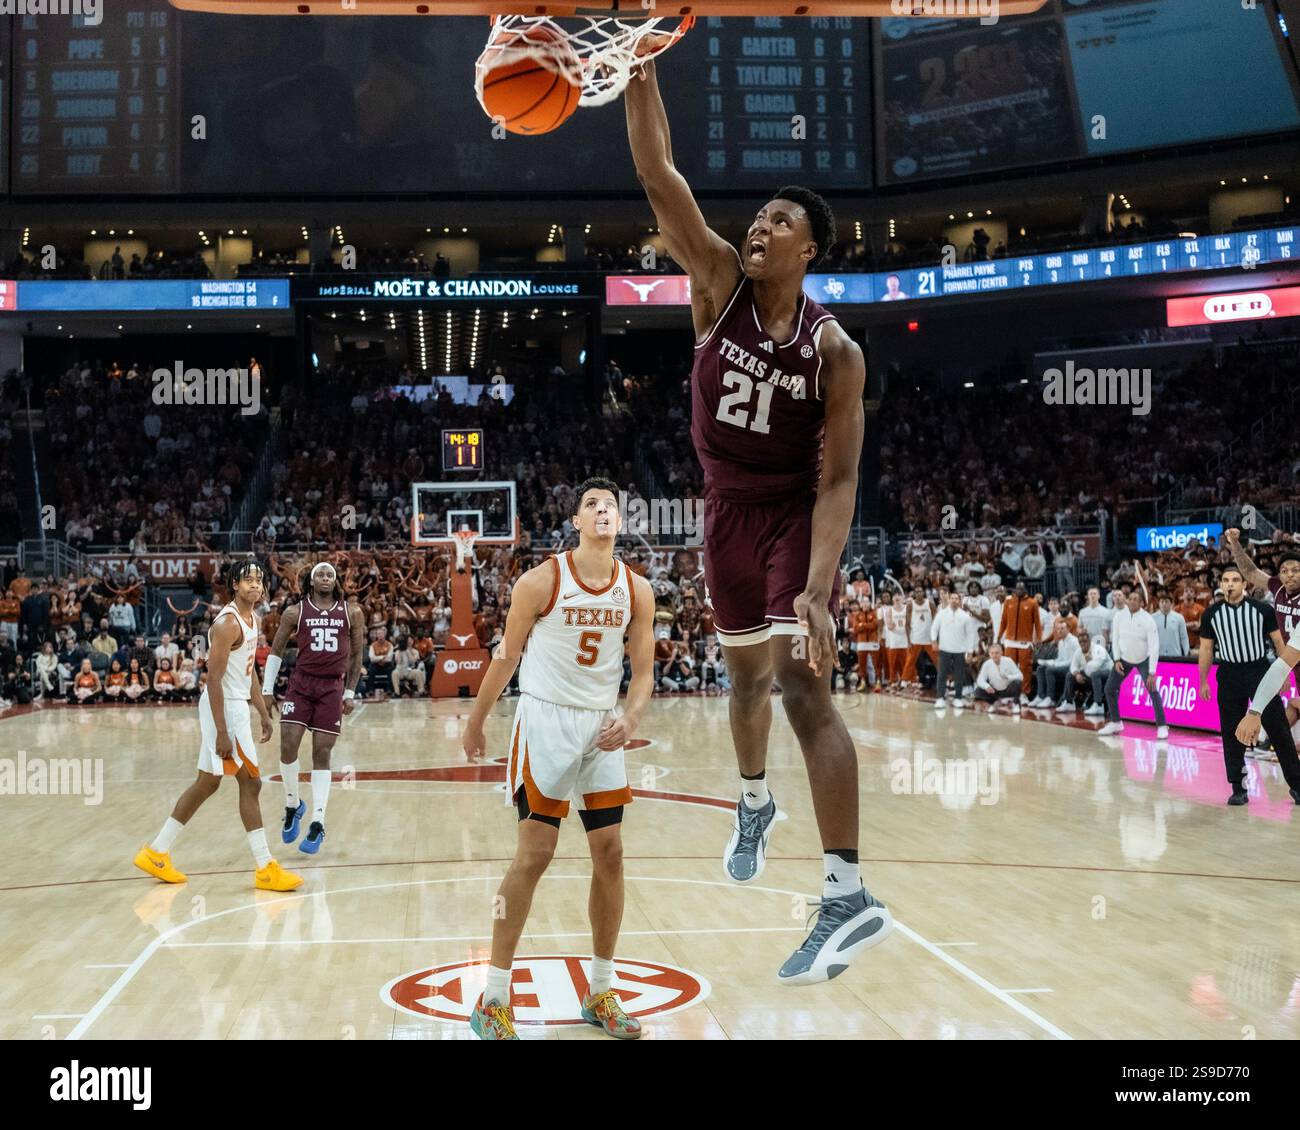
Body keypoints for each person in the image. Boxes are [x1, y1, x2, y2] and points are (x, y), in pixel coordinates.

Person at [626, 63, 892, 985]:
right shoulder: (713, 284)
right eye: (759, 217)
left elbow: (842, 476)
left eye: (781, 222)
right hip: (722, 518)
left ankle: (848, 893)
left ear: (810, 250)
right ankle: (753, 802)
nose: (759, 227)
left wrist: (819, 589)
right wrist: (639, 62)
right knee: (745, 690)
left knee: (802, 690)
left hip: (787, 516)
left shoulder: (836, 352)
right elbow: (661, 176)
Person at [460, 479, 654, 1040]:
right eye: (592, 505)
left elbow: (642, 674)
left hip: (601, 726)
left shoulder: (637, 590)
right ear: (575, 520)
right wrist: (476, 721)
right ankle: (493, 997)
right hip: (545, 722)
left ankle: (601, 991)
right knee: (534, 856)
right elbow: (506, 655)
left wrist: (633, 717)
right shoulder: (541, 581)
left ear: (620, 522)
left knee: (611, 853)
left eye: (611, 506)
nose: (602, 512)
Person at [133, 561, 301, 892]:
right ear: (234, 585)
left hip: (236, 707)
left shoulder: (251, 620)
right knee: (251, 783)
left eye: (259, 579)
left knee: (207, 783)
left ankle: (156, 852)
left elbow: (248, 669)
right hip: (222, 708)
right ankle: (265, 867)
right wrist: (222, 731)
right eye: (248, 580)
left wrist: (263, 711)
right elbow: (213, 680)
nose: (255, 584)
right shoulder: (227, 624)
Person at [263, 561, 366, 856]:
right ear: (310, 581)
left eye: (330, 575)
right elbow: (276, 651)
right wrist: (268, 691)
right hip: (301, 684)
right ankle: (293, 804)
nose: (325, 578)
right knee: (287, 745)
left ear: (336, 582)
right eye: (320, 574)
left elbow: (357, 655)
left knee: (322, 752)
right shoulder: (294, 611)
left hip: (332, 687)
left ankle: (318, 822)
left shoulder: (352, 612)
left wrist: (349, 691)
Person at [1204, 568, 1300, 806]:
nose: (1230, 584)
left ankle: (1297, 785)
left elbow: (1279, 642)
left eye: (1235, 580)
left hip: (1259, 671)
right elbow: (1206, 649)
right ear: (1221, 584)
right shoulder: (1211, 613)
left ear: (1244, 583)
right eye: (1225, 580)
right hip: (1228, 673)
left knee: (1279, 729)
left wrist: (1284, 675)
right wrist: (1202, 679)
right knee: (1231, 732)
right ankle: (1239, 786)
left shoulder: (1262, 609)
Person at [1099, 588, 1168, 739]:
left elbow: (1154, 646)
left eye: (1135, 599)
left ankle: (1162, 725)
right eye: (1130, 598)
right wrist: (1116, 659)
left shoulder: (1148, 620)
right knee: (1109, 689)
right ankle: (1116, 722)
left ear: (1142, 603)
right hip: (1123, 659)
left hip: (1143, 660)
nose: (1131, 601)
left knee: (1153, 691)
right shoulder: (1118, 616)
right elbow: (1115, 639)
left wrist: (1151, 672)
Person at [1224, 529, 1300, 636]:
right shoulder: (1278, 586)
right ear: (1279, 575)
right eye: (1284, 571)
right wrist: (1235, 543)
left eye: (1295, 570)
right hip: (1284, 650)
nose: (1290, 574)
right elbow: (1250, 571)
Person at [931, 591, 977, 710]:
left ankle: (958, 698)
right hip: (944, 649)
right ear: (949, 599)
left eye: (957, 598)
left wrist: (970, 651)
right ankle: (940, 698)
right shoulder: (941, 613)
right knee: (942, 674)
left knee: (959, 675)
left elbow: (970, 635)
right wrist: (934, 641)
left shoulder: (965, 616)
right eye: (952, 598)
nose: (954, 600)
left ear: (960, 601)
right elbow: (934, 628)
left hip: (960, 650)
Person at [1032, 620, 1082, 710]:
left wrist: (1055, 665)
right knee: (1040, 668)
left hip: (1072, 668)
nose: (1059, 631)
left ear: (1068, 629)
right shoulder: (1061, 642)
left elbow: (1073, 661)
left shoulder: (1074, 641)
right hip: (1062, 665)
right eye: (1058, 629)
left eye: (1062, 628)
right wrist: (1049, 662)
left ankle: (1050, 698)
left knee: (1050, 670)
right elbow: (1060, 659)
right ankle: (1041, 696)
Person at [1070, 634, 1111, 716]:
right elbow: (1073, 666)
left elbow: (1096, 666)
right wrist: (1077, 674)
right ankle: (1068, 702)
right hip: (1092, 675)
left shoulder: (1099, 649)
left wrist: (1089, 661)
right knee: (1070, 676)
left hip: (1108, 673)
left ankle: (1098, 705)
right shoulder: (1078, 651)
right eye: (1080, 642)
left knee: (1095, 674)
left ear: (1089, 641)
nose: (1082, 644)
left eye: (1084, 641)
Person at [974, 643, 1022, 712]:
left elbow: (1020, 676)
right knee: (978, 691)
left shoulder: (1008, 661)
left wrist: (1009, 677)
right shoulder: (987, 664)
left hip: (1007, 689)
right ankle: (993, 703)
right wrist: (986, 686)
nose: (994, 655)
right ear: (989, 654)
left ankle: (1016, 704)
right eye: (992, 653)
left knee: (1017, 683)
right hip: (994, 691)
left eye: (997, 653)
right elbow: (980, 680)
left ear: (1001, 653)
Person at [1152, 592, 1189, 658]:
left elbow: (1184, 637)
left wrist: (1187, 652)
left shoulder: (1179, 617)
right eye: (1162, 602)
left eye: (1166, 602)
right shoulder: (1152, 618)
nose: (1164, 604)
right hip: (1157, 655)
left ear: (1171, 604)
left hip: (1175, 655)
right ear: (1159, 604)